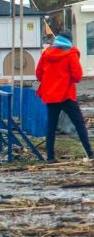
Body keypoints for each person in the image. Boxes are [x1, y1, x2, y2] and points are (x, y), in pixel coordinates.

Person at [36, 30, 93, 163]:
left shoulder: (46, 53)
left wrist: (50, 80)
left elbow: (38, 74)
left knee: (51, 126)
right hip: (66, 95)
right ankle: (89, 152)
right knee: (79, 123)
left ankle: (50, 157)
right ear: (69, 41)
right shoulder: (71, 54)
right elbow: (77, 76)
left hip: (50, 95)